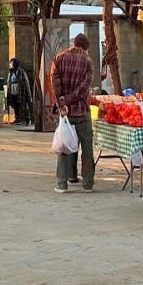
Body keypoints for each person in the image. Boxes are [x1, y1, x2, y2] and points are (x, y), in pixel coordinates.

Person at [51, 33, 95, 193]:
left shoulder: (59, 58)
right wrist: (69, 100)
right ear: (86, 47)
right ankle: (88, 183)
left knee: (64, 145)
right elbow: (84, 89)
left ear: (74, 43)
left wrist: (62, 103)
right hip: (82, 111)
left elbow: (54, 82)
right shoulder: (88, 62)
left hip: (65, 113)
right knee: (87, 148)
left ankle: (62, 183)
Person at [6, 57, 31, 126]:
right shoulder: (10, 72)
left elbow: (26, 83)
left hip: (20, 91)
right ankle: (17, 119)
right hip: (13, 90)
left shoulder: (21, 72)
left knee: (24, 105)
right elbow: (9, 82)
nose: (10, 65)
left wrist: (28, 94)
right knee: (15, 105)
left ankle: (28, 119)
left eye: (11, 63)